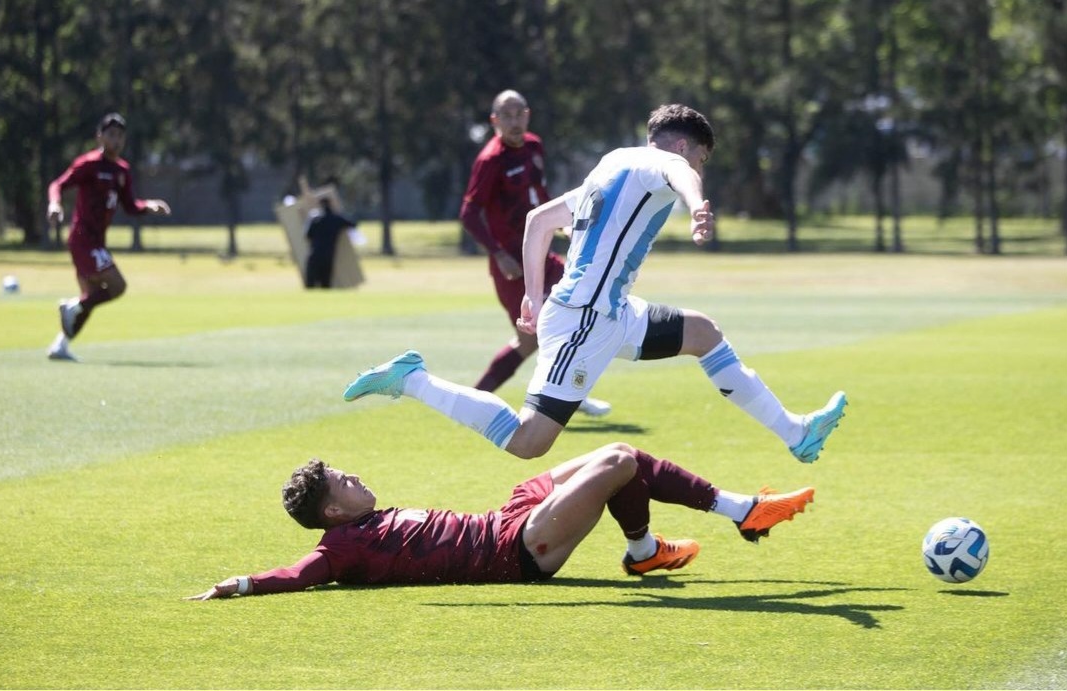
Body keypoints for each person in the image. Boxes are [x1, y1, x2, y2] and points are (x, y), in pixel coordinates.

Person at [344, 104, 847, 462]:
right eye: (701, 159)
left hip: (610, 312)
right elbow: (677, 172)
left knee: (703, 334)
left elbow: (540, 220)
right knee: (528, 441)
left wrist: (534, 300)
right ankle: (412, 379)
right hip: (585, 318)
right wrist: (697, 206)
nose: (699, 168)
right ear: (682, 144)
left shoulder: (613, 162)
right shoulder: (662, 162)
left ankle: (795, 433)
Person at [186, 441, 814, 598]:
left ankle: (732, 514)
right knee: (620, 461)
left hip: (508, 513)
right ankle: (652, 545)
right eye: (342, 482)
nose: (354, 477)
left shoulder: (363, 521)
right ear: (331, 511)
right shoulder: (342, 548)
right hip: (520, 547)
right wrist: (240, 584)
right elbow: (298, 573)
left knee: (622, 455)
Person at [460, 90, 611, 417]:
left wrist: (565, 224)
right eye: (506, 116)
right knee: (531, 339)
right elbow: (469, 213)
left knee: (579, 308)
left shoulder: (533, 147)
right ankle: (472, 400)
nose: (514, 122)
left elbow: (541, 196)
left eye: (519, 114)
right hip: (514, 267)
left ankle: (570, 391)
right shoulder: (490, 160)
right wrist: (499, 254)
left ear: (527, 115)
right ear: (494, 121)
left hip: (544, 256)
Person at [46, 112, 172, 361]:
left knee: (89, 299)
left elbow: (130, 206)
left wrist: (148, 205)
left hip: (96, 242)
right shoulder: (88, 164)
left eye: (120, 136)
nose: (116, 140)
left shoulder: (122, 170)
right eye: (111, 134)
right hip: (83, 239)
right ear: (99, 136)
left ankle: (60, 345)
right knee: (118, 286)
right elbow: (57, 185)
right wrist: (54, 205)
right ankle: (71, 307)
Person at [304, 197, 356, 289]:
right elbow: (353, 224)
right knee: (325, 284)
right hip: (328, 256)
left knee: (310, 285)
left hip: (315, 254)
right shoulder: (336, 219)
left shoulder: (315, 220)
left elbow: (307, 235)